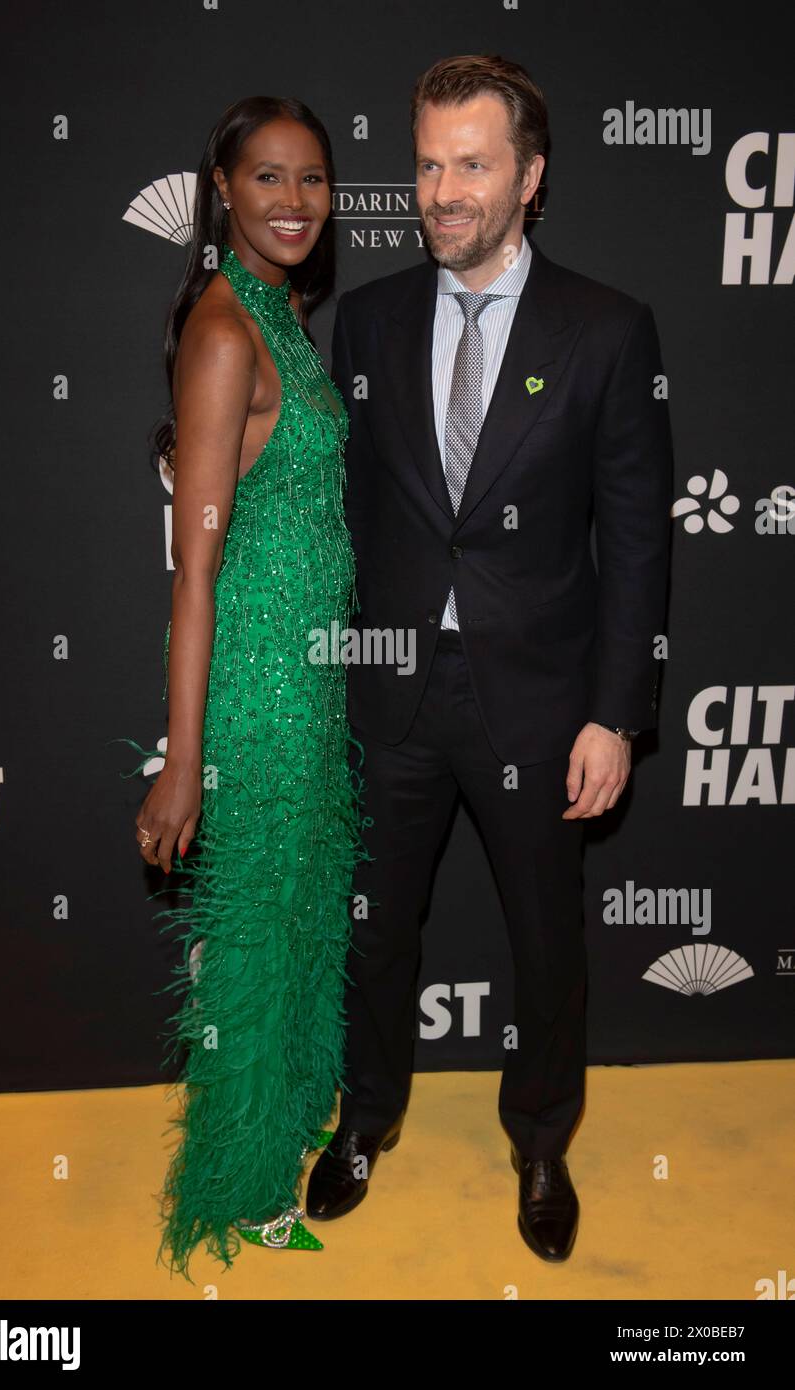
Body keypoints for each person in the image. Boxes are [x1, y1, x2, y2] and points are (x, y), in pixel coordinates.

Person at [306, 54, 674, 1262]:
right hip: (392, 695)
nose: (443, 189)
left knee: (543, 942)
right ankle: (364, 1123)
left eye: (472, 162)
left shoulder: (607, 331)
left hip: (540, 702)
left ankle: (539, 1140)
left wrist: (615, 715)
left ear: (530, 175)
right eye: (425, 162)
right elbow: (335, 516)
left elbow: (632, 545)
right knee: (374, 931)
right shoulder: (361, 321)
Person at [128, 96, 368, 1277]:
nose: (292, 202)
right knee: (261, 950)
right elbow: (195, 570)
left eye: (313, 180)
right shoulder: (227, 332)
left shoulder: (281, 314)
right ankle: (233, 1186)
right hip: (256, 708)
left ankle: (274, 1146)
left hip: (313, 698)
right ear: (220, 189)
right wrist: (186, 763)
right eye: (267, 179)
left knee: (301, 935)